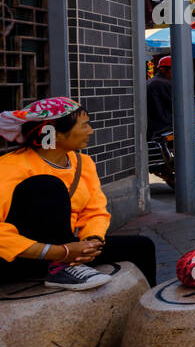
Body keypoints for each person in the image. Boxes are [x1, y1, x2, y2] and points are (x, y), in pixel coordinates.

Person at [0, 97, 156, 290]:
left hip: (68, 250)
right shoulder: (10, 167)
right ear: (52, 133)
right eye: (84, 126)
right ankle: (60, 268)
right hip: (22, 255)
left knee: (142, 247)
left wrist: (93, 241)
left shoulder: (83, 164)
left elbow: (95, 211)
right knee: (49, 185)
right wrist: (58, 252)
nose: (90, 131)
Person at [145, 56, 173, 140]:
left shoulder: (151, 82)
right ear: (163, 70)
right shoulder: (164, 84)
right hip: (164, 125)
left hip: (152, 125)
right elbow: (175, 105)